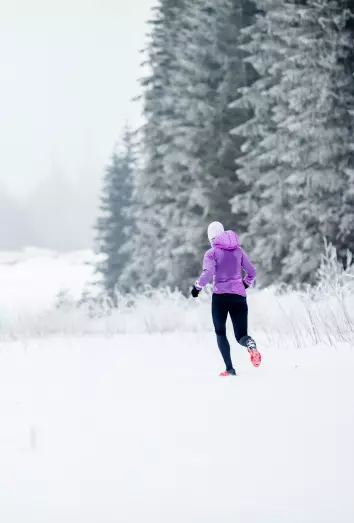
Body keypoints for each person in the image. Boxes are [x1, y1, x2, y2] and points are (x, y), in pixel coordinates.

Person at [191, 221, 261, 376]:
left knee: (220, 333)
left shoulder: (212, 253)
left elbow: (208, 274)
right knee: (241, 335)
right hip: (239, 297)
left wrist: (197, 287)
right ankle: (249, 343)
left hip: (220, 298)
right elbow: (252, 272)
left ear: (211, 238)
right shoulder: (238, 251)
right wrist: (244, 284)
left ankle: (229, 369)